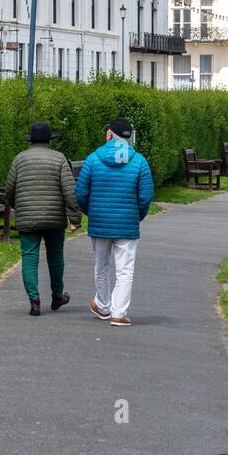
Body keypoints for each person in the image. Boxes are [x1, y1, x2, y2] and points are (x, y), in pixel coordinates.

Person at [76, 117, 155, 327]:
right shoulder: (139, 161)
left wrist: (90, 212)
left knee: (101, 265)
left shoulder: (93, 159)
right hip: (127, 224)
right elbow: (146, 196)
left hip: (100, 222)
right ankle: (118, 313)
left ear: (110, 135)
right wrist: (137, 215)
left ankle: (102, 305)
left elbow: (81, 193)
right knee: (125, 270)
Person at [5, 122, 82, 317]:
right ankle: (57, 296)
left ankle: (34, 302)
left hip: (27, 218)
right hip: (54, 218)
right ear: (49, 140)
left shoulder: (19, 159)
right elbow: (70, 191)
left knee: (29, 258)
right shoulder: (59, 159)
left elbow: (10, 191)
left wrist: (20, 207)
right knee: (55, 257)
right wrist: (75, 218)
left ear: (31, 140)